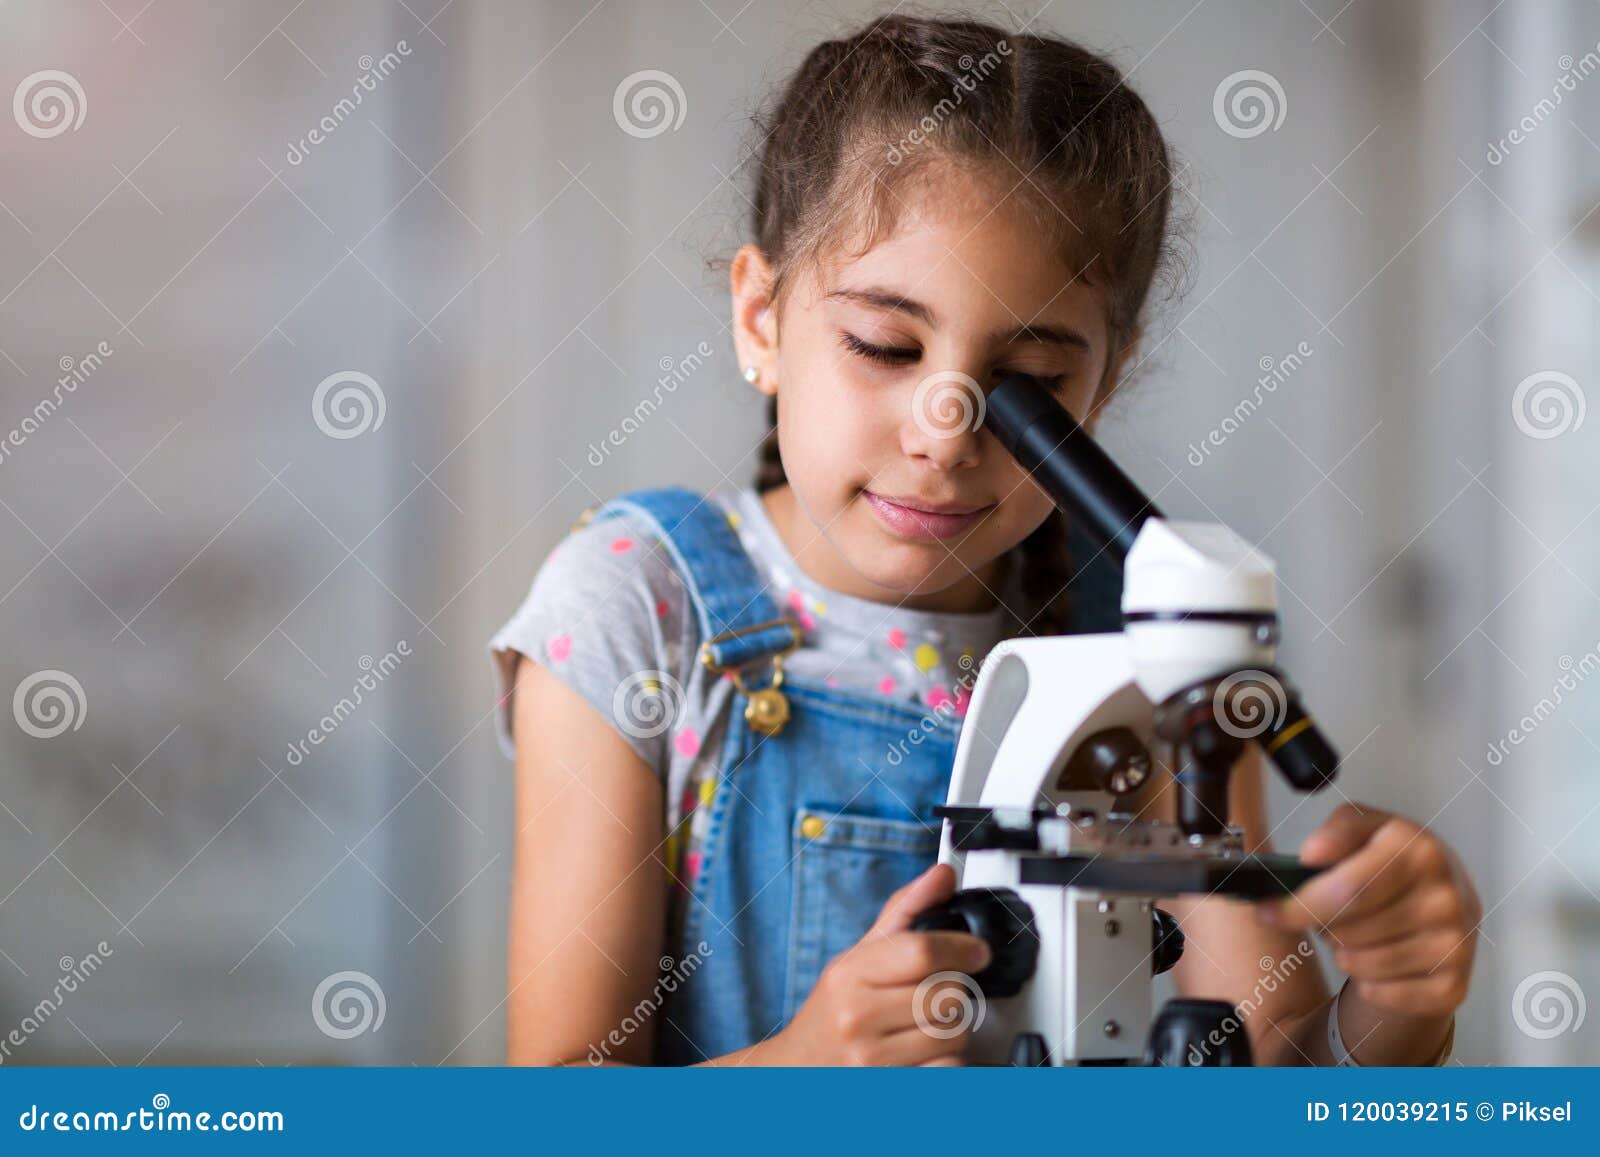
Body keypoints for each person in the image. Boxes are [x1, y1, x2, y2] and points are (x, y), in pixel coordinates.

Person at [491, 12, 1479, 1067]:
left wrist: (1395, 1003)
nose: (948, 428)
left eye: (1033, 384)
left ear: (1104, 378)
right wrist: (804, 1065)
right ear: (760, 319)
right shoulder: (635, 608)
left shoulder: (1145, 630)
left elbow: (1268, 1062)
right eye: (884, 344)